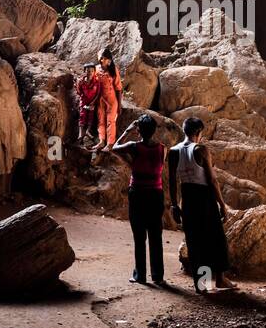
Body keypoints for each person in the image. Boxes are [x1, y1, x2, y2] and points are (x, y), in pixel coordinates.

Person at [168, 116, 236, 293]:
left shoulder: (174, 151)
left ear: (184, 130)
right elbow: (212, 180)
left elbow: (172, 181)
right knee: (216, 238)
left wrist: (174, 205)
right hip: (204, 198)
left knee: (195, 241)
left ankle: (201, 284)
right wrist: (222, 204)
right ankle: (220, 279)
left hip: (187, 198)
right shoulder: (200, 149)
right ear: (199, 132)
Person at [113, 115, 166, 286]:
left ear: (138, 130)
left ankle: (140, 275)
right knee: (156, 235)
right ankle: (158, 275)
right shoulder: (162, 149)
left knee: (139, 235)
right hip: (156, 193)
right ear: (154, 130)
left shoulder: (134, 146)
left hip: (138, 193)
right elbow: (157, 168)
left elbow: (114, 147)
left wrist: (127, 131)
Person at [95, 48, 123, 151]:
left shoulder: (113, 69)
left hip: (111, 100)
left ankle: (110, 144)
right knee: (100, 120)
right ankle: (101, 141)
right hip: (100, 99)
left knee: (111, 121)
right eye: (101, 58)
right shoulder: (96, 69)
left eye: (106, 58)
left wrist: (119, 105)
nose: (102, 60)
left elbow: (118, 88)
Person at [76, 62, 101, 144]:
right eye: (87, 71)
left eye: (92, 71)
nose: (90, 73)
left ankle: (88, 131)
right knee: (82, 115)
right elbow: (79, 91)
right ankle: (80, 134)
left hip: (92, 101)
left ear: (94, 72)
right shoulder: (81, 81)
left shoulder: (97, 82)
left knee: (91, 116)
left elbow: (98, 93)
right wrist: (83, 100)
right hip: (84, 100)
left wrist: (93, 102)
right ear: (84, 71)